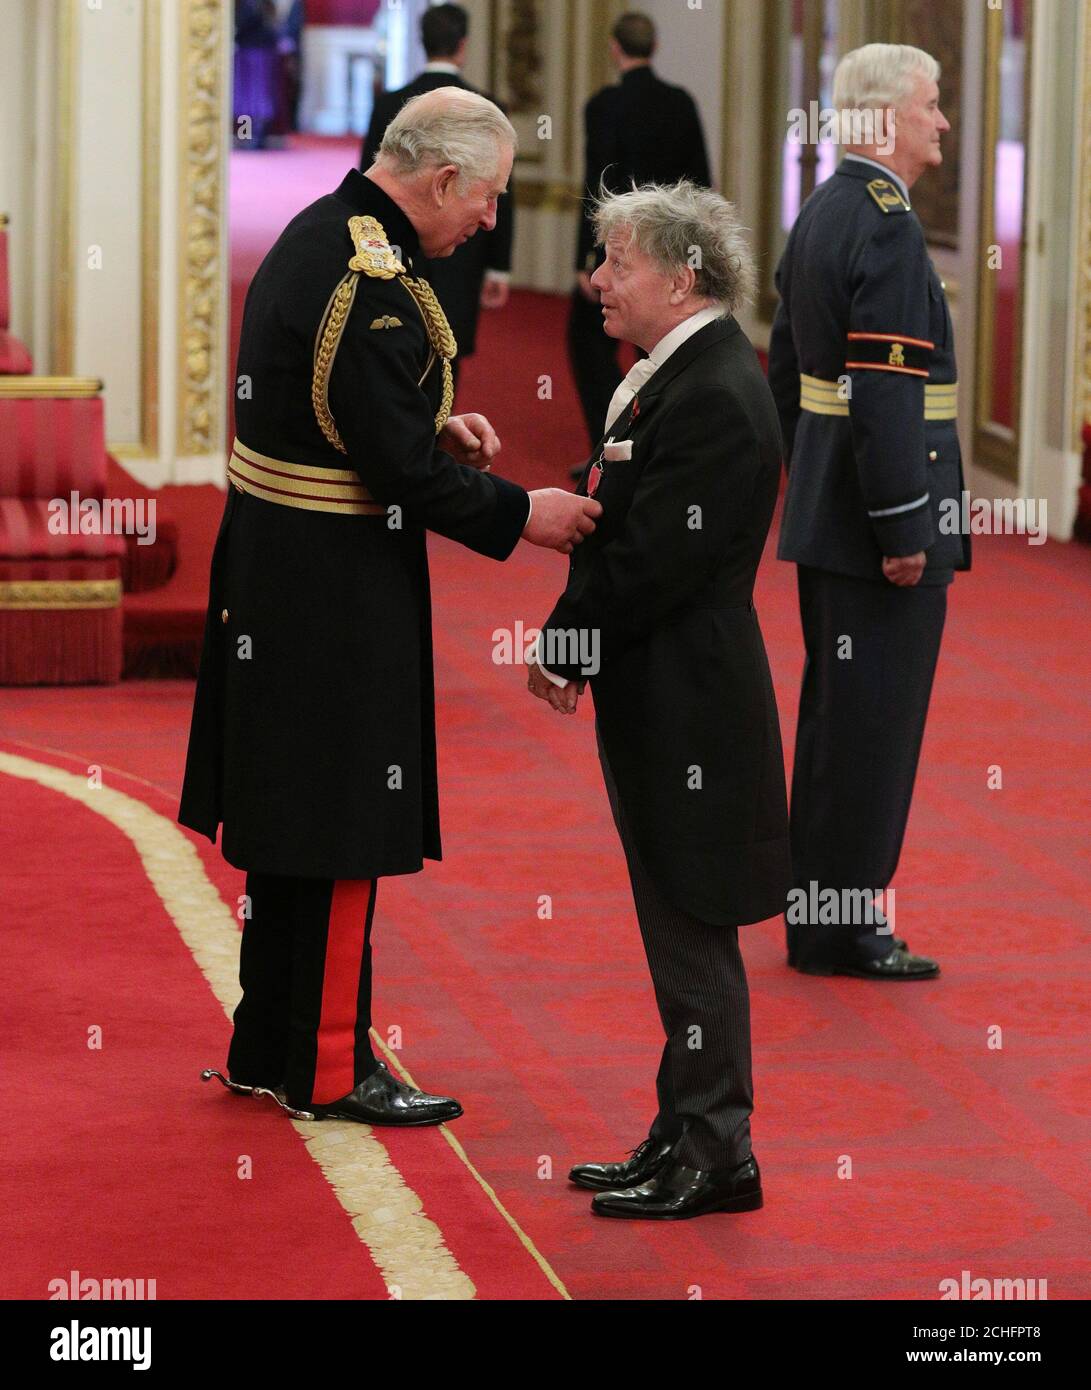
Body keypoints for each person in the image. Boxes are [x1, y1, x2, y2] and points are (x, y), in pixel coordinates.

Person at [180, 89, 601, 1127]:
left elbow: (347, 419)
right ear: (444, 178)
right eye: (488, 198)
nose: (489, 221)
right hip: (330, 588)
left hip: (283, 571)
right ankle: (326, 1068)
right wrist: (522, 514)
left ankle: (266, 1044)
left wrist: (427, 424)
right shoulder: (369, 277)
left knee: (287, 816)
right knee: (336, 825)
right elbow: (388, 468)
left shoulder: (332, 231)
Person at [529, 181, 791, 1220]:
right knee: (670, 915)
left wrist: (566, 640)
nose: (597, 281)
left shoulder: (719, 393)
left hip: (693, 695)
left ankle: (718, 1150)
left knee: (691, 923)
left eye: (617, 263)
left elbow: (649, 563)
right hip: (662, 686)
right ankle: (678, 1125)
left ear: (679, 276)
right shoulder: (673, 375)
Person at [768, 43, 970, 980]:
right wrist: (903, 528)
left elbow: (785, 368)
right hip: (875, 527)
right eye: (930, 106)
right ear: (886, 119)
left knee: (836, 723)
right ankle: (845, 929)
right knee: (872, 734)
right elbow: (886, 400)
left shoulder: (823, 207)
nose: (941, 122)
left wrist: (796, 473)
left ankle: (817, 918)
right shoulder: (885, 226)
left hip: (827, 513)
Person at [568, 12, 711, 458]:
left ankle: (610, 444)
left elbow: (596, 190)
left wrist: (585, 261)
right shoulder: (681, 103)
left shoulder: (602, 106)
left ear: (614, 48)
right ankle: (652, 444)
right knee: (659, 350)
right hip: (670, 253)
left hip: (621, 252)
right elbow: (701, 186)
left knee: (587, 343)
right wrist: (696, 259)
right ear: (655, 47)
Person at [361, 3, 514, 391]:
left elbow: (368, 181)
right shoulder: (487, 109)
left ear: (421, 41)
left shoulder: (388, 103)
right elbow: (500, 194)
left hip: (391, 253)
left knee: (390, 344)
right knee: (447, 353)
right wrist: (499, 265)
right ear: (463, 45)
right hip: (462, 260)